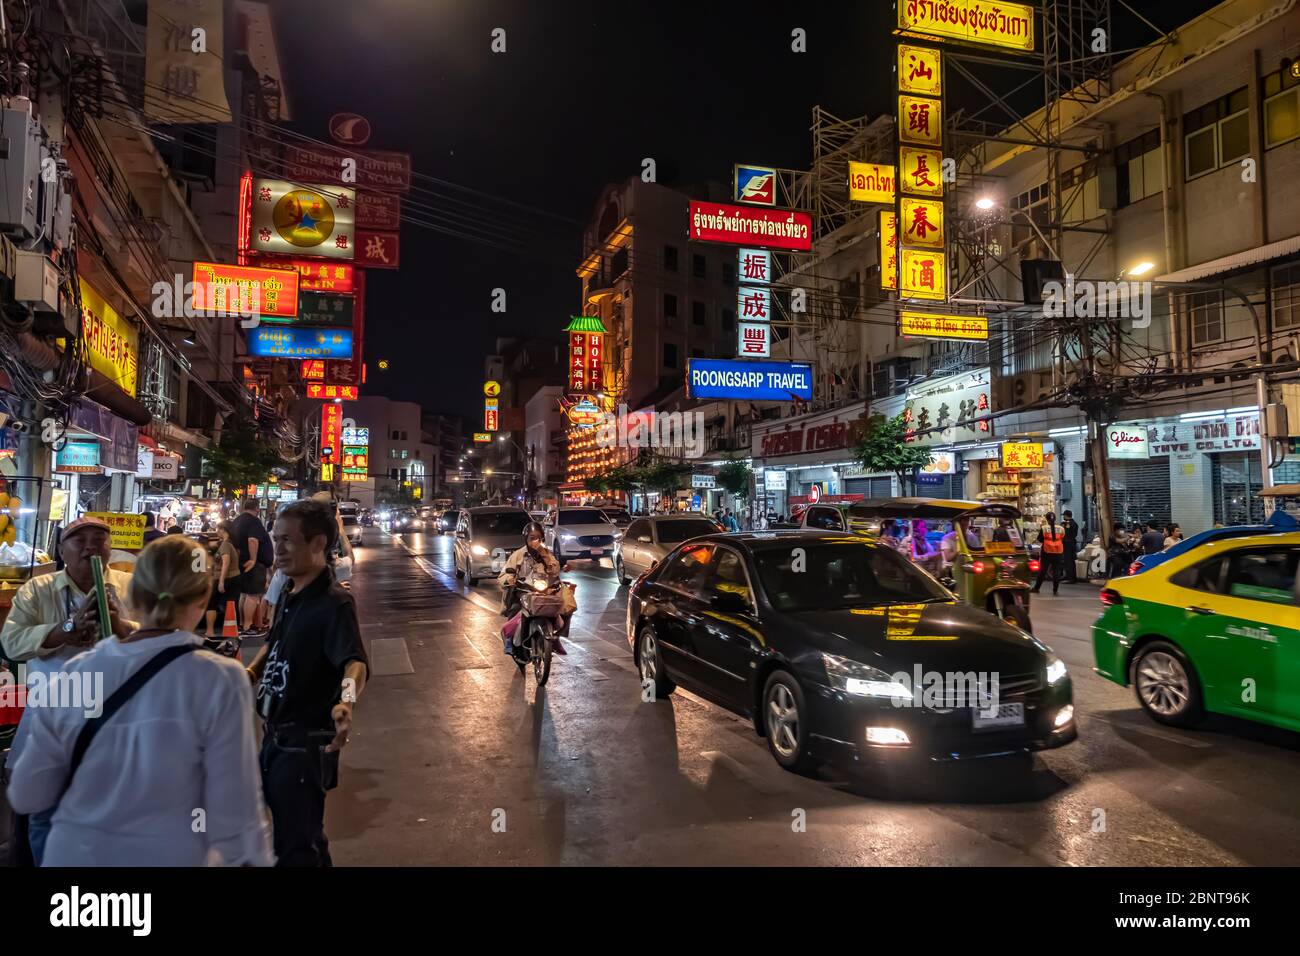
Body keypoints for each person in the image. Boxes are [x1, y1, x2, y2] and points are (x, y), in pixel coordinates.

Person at [6, 536, 273, 866]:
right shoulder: (219, 679)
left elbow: (27, 792)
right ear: (204, 597)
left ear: (132, 594)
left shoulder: (74, 674)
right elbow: (237, 816)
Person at [1, 516, 137, 865]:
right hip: (52, 713)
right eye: (80, 540)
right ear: (61, 550)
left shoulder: (132, 585)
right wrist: (65, 630)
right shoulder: (38, 588)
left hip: (116, 718)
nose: (91, 546)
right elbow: (12, 642)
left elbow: (160, 633)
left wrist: (121, 626)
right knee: (46, 813)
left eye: (100, 539)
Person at [246, 500, 368, 866]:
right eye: (275, 538)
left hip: (304, 744)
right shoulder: (290, 592)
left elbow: (354, 662)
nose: (277, 549)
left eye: (287, 541)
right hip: (274, 735)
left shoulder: (334, 603)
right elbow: (274, 642)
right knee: (302, 837)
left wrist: (345, 703)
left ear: (317, 544)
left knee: (296, 846)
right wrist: (249, 673)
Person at [500, 522, 562, 660]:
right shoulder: (518, 555)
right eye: (532, 538)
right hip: (523, 591)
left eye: (538, 538)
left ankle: (555, 638)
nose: (535, 541)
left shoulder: (547, 554)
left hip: (543, 592)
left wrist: (543, 555)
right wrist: (510, 579)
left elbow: (555, 570)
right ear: (526, 539)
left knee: (560, 610)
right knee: (515, 609)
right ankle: (510, 640)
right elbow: (503, 575)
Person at [231, 497, 273, 636]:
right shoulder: (253, 521)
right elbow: (253, 540)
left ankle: (244, 624)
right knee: (253, 595)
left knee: (244, 594)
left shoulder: (237, 521)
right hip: (252, 564)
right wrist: (253, 559)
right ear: (256, 508)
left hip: (241, 562)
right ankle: (248, 626)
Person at [204, 521, 242, 637]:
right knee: (230, 604)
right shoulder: (231, 544)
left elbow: (226, 563)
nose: (216, 531)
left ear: (223, 530)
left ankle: (210, 631)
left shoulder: (225, 545)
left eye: (218, 529)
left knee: (212, 603)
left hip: (224, 578)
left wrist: (221, 581)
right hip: (233, 577)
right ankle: (230, 629)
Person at [1032, 512, 1065, 595]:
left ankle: (1036, 588)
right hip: (1058, 551)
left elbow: (1039, 539)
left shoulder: (1044, 528)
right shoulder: (1061, 528)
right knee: (1056, 571)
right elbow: (1063, 538)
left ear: (1047, 519)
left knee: (1043, 570)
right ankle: (1055, 589)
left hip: (1047, 551)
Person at [1061, 510, 1080, 584]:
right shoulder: (1074, 523)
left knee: (1068, 561)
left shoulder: (1068, 524)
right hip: (1071, 544)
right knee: (1071, 561)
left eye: (1064, 515)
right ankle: (1071, 577)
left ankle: (1070, 578)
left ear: (1066, 515)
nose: (1063, 517)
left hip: (1068, 544)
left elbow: (1066, 534)